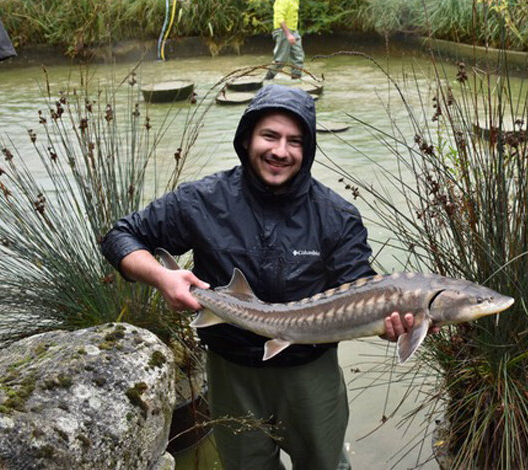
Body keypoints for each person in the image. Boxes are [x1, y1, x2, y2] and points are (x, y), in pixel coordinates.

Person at [100, 84, 416, 470]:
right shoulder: (203, 200)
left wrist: (390, 324)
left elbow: (362, 285)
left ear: (308, 149)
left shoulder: (337, 215)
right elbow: (119, 237)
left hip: (309, 371)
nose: (280, 151)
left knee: (325, 465)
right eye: (270, 136)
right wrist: (163, 278)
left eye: (295, 141)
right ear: (247, 138)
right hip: (230, 369)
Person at [264, 0, 304, 80]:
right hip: (283, 31)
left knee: (298, 57)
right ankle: (267, 80)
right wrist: (288, 34)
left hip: (294, 31)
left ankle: (296, 81)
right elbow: (280, 18)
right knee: (281, 59)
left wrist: (293, 33)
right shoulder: (282, 1)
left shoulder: (295, 1)